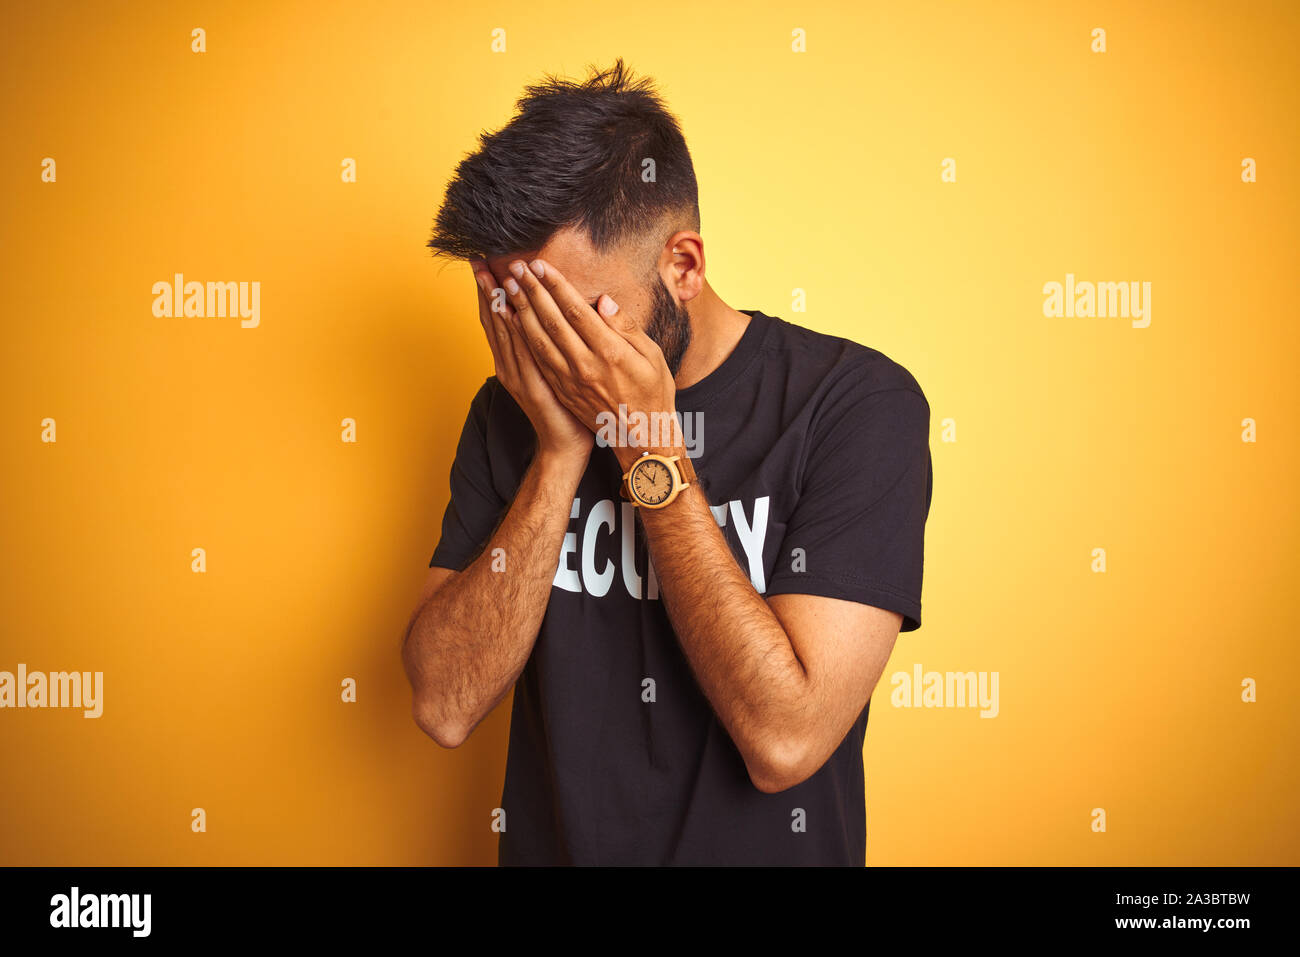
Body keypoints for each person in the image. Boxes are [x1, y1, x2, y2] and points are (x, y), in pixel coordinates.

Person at [402, 58, 933, 865]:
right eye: (522, 315)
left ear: (682, 266)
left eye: (575, 319)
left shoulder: (856, 406)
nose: (548, 355)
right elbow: (444, 704)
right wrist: (558, 449)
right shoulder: (513, 415)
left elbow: (784, 739)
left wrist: (646, 440)